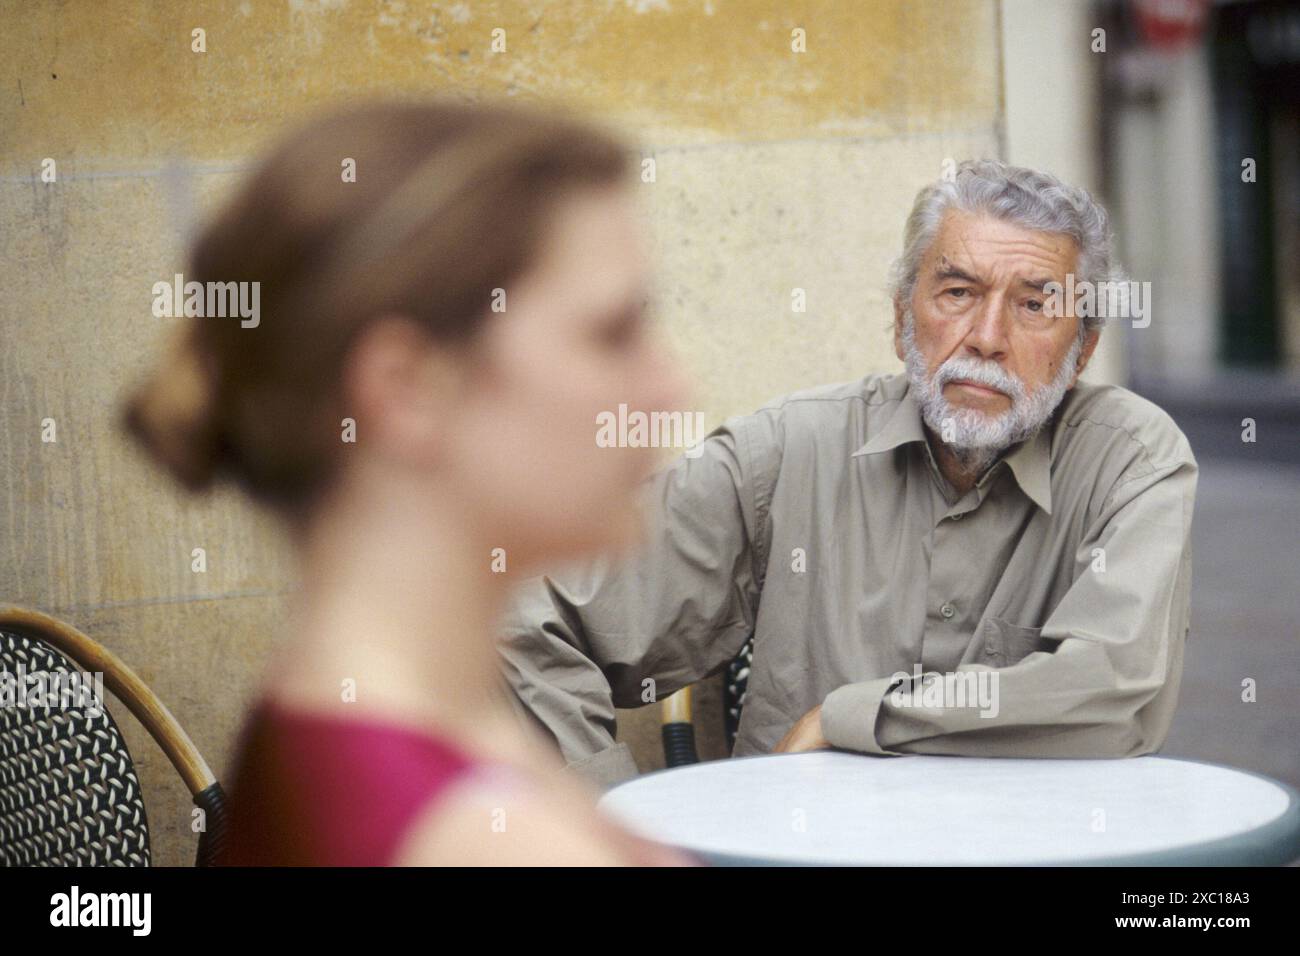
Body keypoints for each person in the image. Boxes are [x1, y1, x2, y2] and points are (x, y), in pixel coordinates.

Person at [500, 160, 1199, 787]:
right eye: (957, 292)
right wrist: (599, 823)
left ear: (1081, 353)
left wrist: (853, 718)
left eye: (1035, 305)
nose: (987, 338)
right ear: (902, 320)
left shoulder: (1131, 460)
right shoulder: (788, 451)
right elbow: (522, 610)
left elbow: (1115, 692)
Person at [125, 99, 693, 865]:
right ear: (405, 388)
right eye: (611, 333)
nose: (670, 388)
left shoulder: (323, 720)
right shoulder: (481, 843)